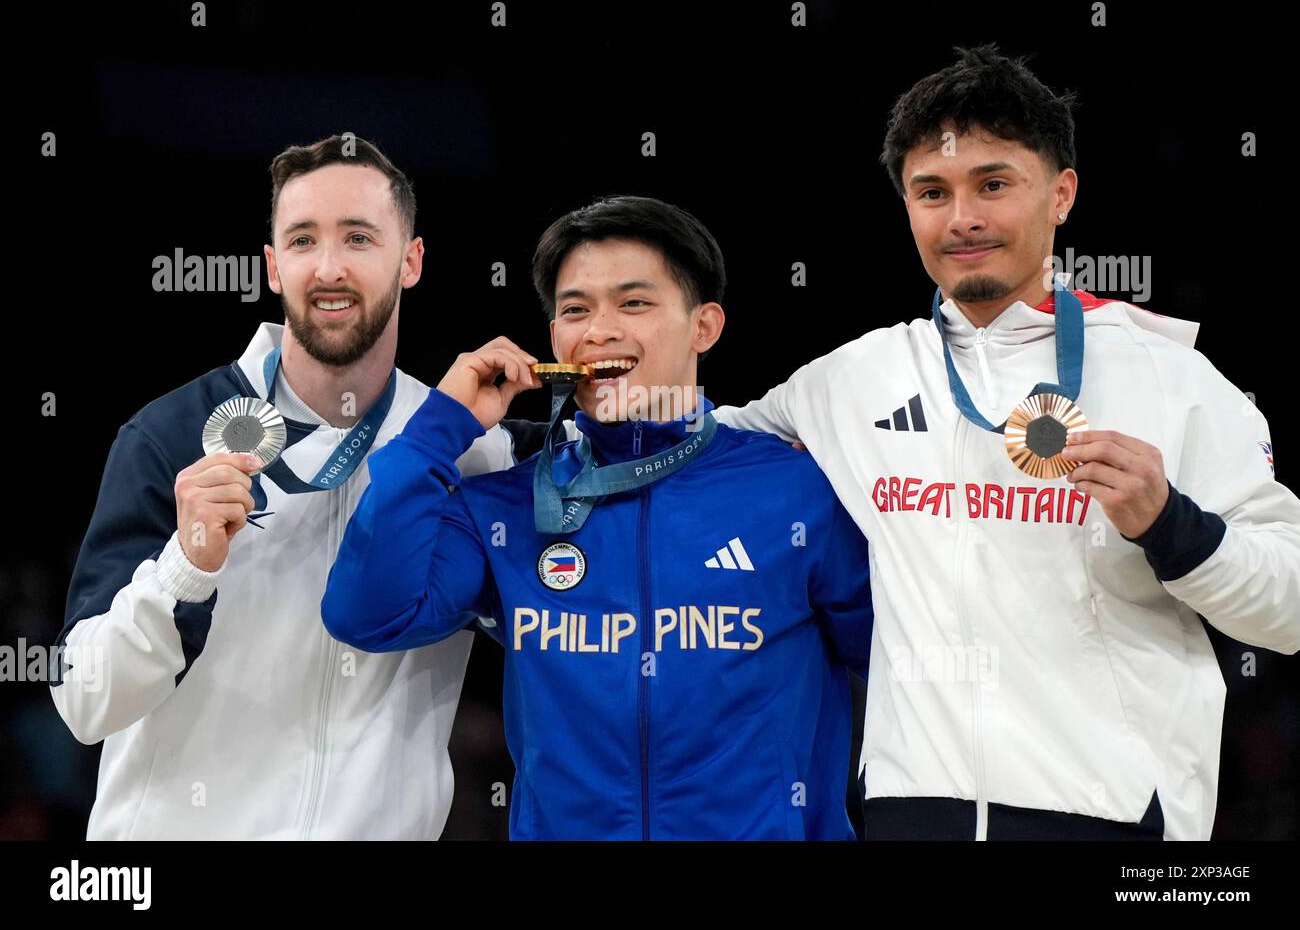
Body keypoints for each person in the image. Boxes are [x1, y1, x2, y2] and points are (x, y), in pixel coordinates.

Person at [713, 45, 1300, 840]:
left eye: (993, 183)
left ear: (1061, 194)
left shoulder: (1175, 378)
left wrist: (1171, 524)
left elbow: (1290, 608)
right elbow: (680, 448)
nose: (963, 218)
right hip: (911, 811)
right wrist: (500, 432)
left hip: (1113, 817)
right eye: (932, 192)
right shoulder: (851, 379)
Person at [322, 195, 873, 839]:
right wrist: (437, 431)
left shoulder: (800, 489)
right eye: (574, 309)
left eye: (634, 303)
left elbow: (892, 662)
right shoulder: (505, 505)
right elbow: (368, 615)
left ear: (706, 327)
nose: (599, 330)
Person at [51, 134, 544, 838]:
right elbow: (85, 701)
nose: (330, 267)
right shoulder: (172, 434)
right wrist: (182, 572)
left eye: (359, 238)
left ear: (411, 261)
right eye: (304, 241)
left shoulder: (473, 448)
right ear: (274, 268)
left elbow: (678, 439)